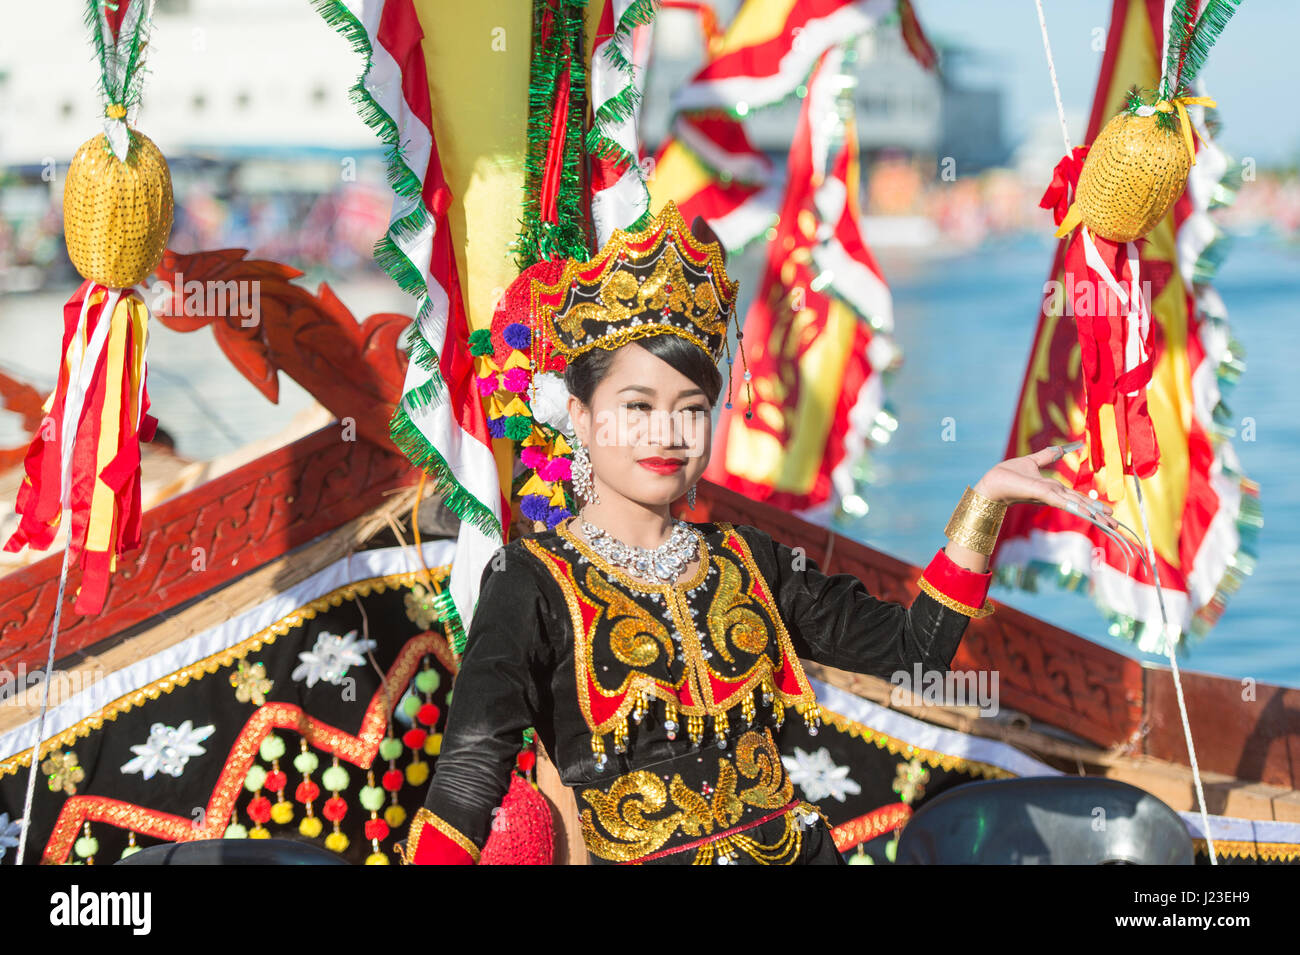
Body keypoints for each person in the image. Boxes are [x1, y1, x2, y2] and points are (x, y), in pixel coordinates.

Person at [398, 201, 1119, 865]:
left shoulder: (749, 561)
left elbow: (913, 652)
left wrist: (984, 503)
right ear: (580, 417)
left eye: (691, 407)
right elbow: (467, 775)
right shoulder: (530, 582)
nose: (668, 433)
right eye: (638, 404)